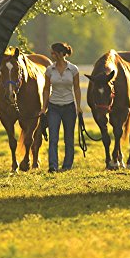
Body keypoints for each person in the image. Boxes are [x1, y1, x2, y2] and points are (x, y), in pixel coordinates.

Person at [42, 42, 82, 173]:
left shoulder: (73, 69)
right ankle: (53, 166)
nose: (51, 55)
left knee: (68, 138)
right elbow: (46, 89)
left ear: (59, 54)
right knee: (53, 138)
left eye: (53, 52)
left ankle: (67, 165)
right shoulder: (49, 70)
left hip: (69, 107)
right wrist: (44, 107)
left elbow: (76, 88)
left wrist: (79, 106)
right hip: (54, 107)